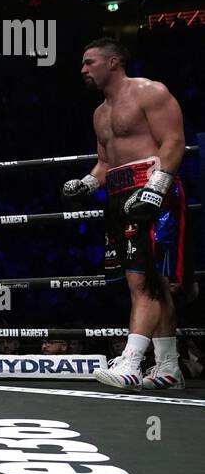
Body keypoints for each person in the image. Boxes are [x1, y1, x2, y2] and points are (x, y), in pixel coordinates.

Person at [65, 37, 191, 390]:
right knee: (154, 282)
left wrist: (157, 186)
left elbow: (174, 142)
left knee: (145, 281)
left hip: (152, 190)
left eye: (90, 62)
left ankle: (132, 360)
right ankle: (168, 367)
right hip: (119, 196)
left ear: (114, 62)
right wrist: (87, 184)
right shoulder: (100, 113)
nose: (83, 70)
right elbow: (106, 162)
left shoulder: (150, 92)